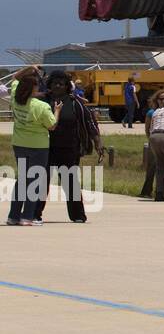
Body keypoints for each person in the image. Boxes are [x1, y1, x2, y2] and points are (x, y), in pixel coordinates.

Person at [38, 71, 103, 223]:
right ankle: (35, 214)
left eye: (62, 83)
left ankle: (78, 215)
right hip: (44, 149)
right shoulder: (42, 101)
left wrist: (98, 142)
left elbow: (90, 123)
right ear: (50, 85)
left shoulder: (75, 103)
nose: (58, 85)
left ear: (68, 86)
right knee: (42, 182)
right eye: (55, 83)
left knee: (70, 182)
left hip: (69, 149)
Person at [6, 68, 58, 226]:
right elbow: (52, 125)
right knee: (34, 180)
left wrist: (30, 68)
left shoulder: (16, 98)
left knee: (22, 179)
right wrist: (57, 110)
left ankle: (13, 216)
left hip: (19, 144)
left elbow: (15, 77)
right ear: (33, 89)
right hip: (38, 146)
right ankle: (27, 216)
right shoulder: (41, 107)